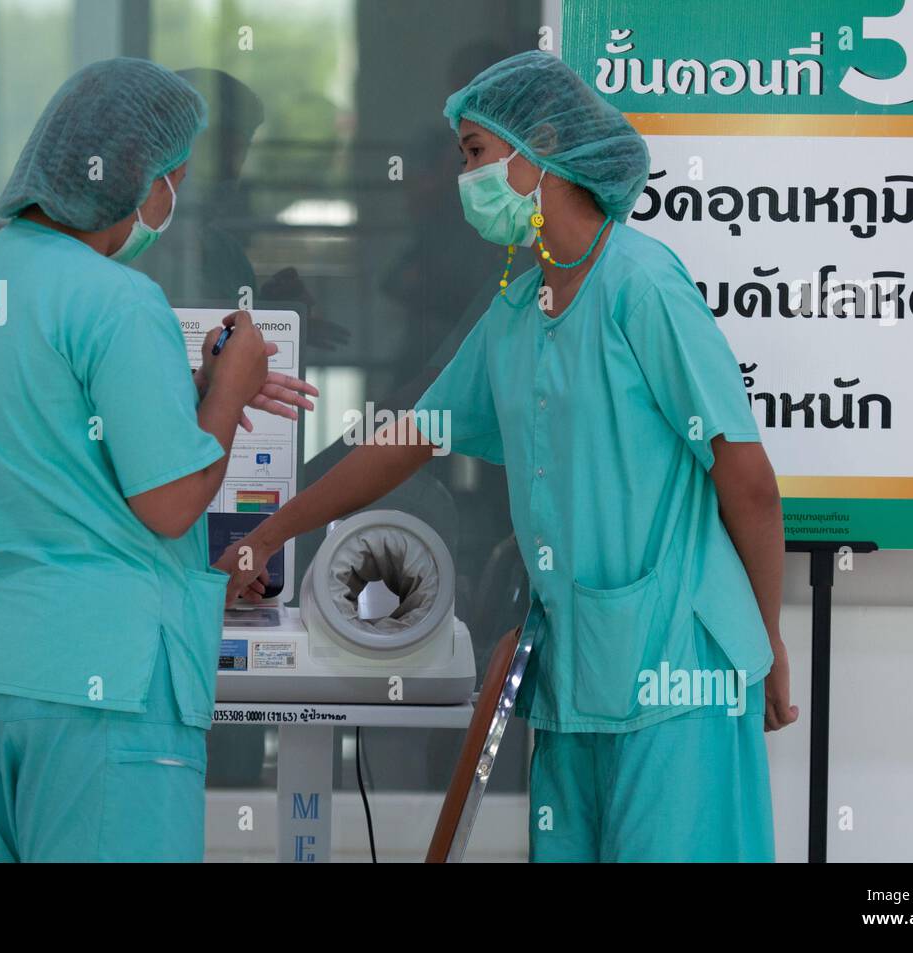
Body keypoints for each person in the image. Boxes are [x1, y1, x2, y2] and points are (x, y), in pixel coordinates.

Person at [218, 50, 798, 862]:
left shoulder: (642, 286)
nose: (466, 179)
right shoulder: (520, 308)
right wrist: (273, 530)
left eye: (477, 154)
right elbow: (402, 441)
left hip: (682, 678)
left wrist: (765, 647)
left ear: (544, 150)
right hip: (573, 684)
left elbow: (749, 481)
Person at [0, 57, 314, 862]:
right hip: (102, 681)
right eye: (173, 175)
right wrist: (231, 390)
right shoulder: (118, 299)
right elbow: (172, 503)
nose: (172, 198)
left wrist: (204, 391)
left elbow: (54, 452)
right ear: (138, 177)